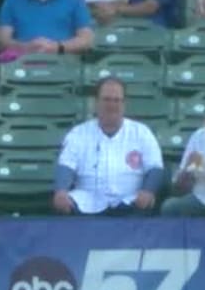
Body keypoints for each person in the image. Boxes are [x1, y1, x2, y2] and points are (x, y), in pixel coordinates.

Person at [52, 77, 165, 216]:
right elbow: (66, 166)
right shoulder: (78, 133)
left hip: (130, 201)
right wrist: (61, 192)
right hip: (87, 201)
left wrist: (148, 191)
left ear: (124, 103)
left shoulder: (141, 132)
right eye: (106, 99)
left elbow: (155, 168)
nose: (112, 105)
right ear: (96, 102)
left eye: (117, 100)